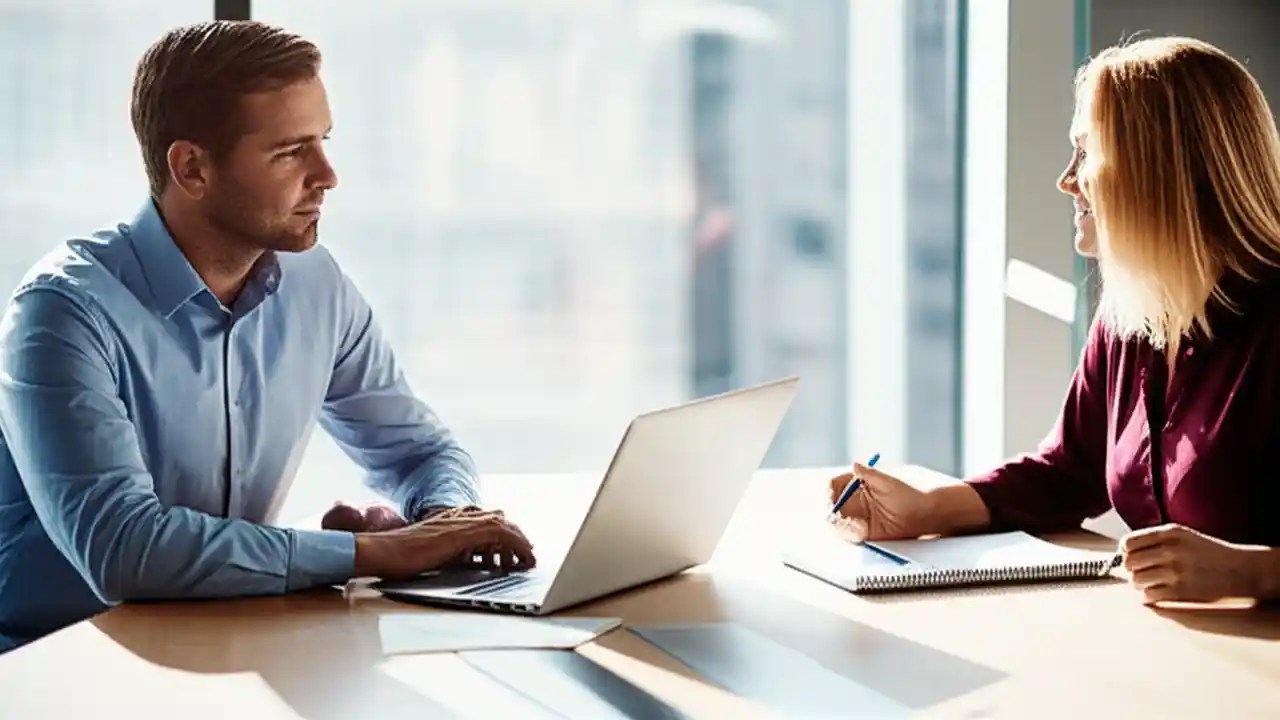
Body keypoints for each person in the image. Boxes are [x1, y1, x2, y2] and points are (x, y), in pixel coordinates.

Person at [0, 20, 534, 653]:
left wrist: (446, 521)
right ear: (192, 168)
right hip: (54, 670)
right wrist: (371, 552)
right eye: (291, 151)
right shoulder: (63, 314)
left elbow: (418, 454)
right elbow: (124, 549)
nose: (328, 174)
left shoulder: (315, 286)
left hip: (223, 642)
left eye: (324, 141)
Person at [831, 36, 1280, 605]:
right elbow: (1071, 468)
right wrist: (923, 509)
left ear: (1157, 166)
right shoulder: (1133, 315)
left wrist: (1254, 573)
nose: (1067, 180)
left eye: (1086, 154)